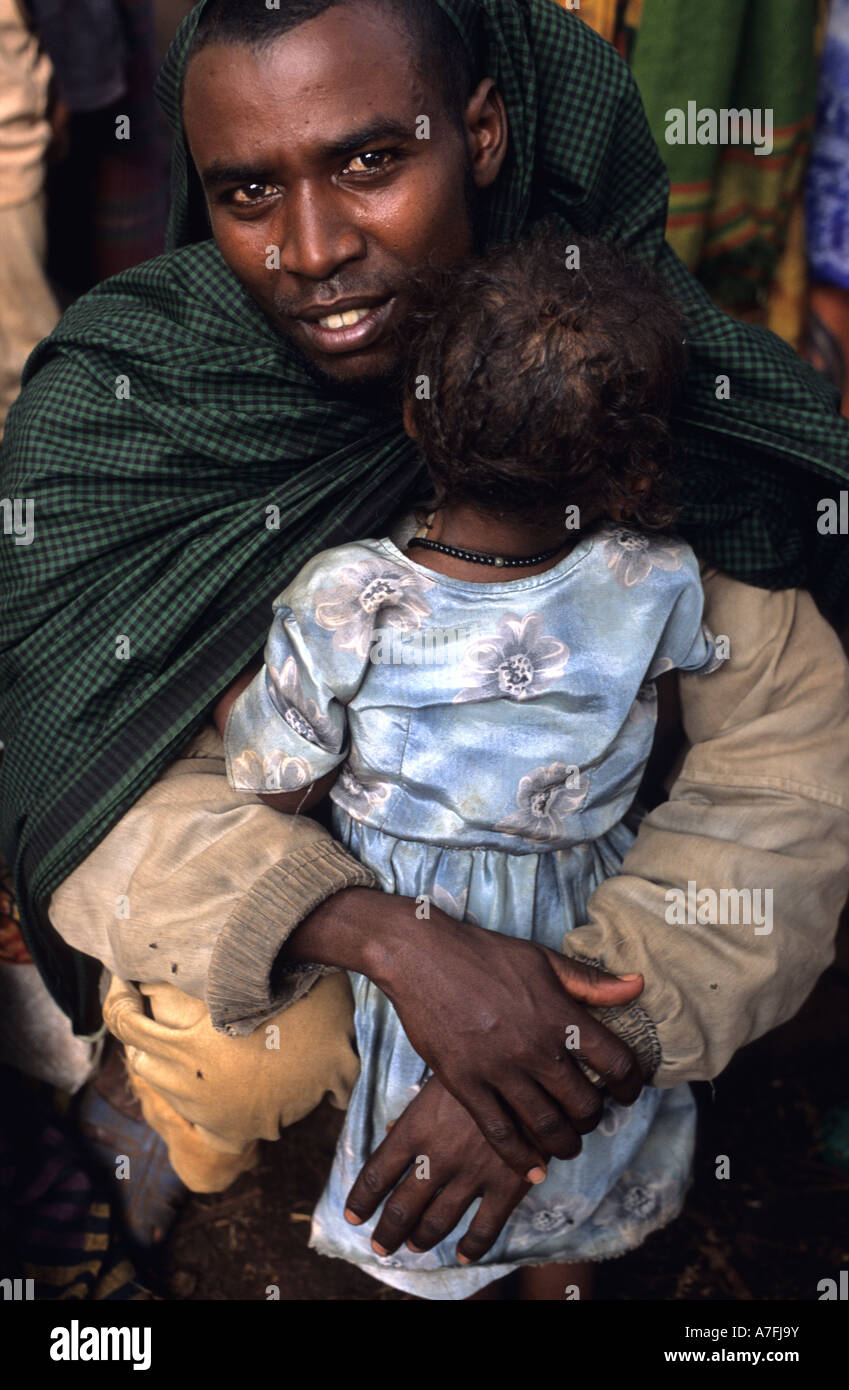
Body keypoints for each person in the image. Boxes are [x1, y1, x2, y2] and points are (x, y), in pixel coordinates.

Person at [2, 0, 849, 1269]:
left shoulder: (626, 380)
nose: (311, 248)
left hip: (586, 912)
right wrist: (388, 937)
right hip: (312, 900)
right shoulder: (142, 398)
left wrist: (572, 1036)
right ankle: (168, 1098)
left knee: (660, 1022)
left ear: (485, 132)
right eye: (246, 190)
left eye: (369, 161)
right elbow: (76, 761)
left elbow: (786, 781)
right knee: (243, 1062)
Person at [220, 228, 727, 1299]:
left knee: (447, 1138)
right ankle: (565, 1278)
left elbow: (275, 776)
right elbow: (663, 726)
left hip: (423, 925)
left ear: (412, 414)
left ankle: (432, 1271)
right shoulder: (658, 579)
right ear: (633, 468)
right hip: (589, 907)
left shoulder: (348, 597)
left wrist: (241, 711)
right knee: (571, 1144)